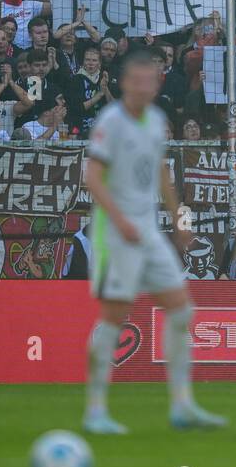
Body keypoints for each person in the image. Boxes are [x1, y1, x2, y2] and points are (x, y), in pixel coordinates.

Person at [81, 49, 227, 434]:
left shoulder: (156, 119)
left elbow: (163, 174)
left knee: (181, 311)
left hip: (148, 231)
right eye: (139, 79)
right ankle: (95, 409)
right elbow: (92, 178)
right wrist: (120, 221)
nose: (147, 85)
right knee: (114, 317)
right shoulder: (111, 121)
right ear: (126, 82)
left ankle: (182, 406)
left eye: (153, 79)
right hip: (115, 233)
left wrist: (179, 220)